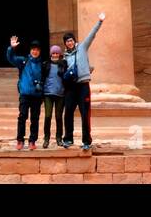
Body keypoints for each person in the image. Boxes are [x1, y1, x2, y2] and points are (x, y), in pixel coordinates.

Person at [61, 12, 104, 150]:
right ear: (65, 44)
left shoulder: (82, 47)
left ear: (74, 41)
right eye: (67, 41)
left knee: (85, 113)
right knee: (68, 112)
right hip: (71, 87)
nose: (69, 43)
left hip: (83, 86)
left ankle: (86, 141)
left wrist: (100, 21)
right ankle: (68, 139)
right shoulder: (64, 57)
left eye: (71, 40)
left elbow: (92, 34)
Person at [6, 36, 45, 150]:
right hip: (25, 94)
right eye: (33, 49)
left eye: (37, 50)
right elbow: (11, 58)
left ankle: (32, 141)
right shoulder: (24, 61)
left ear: (40, 51)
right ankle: (20, 140)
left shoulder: (43, 64)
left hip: (37, 96)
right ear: (30, 50)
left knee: (35, 119)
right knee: (22, 117)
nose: (35, 51)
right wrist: (11, 48)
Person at [41, 46, 67, 149]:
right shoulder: (46, 64)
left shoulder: (63, 64)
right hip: (48, 94)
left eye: (57, 53)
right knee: (48, 116)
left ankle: (59, 138)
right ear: (51, 54)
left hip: (60, 94)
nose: (55, 55)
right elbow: (42, 77)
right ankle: (46, 138)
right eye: (53, 53)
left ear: (59, 54)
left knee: (58, 117)